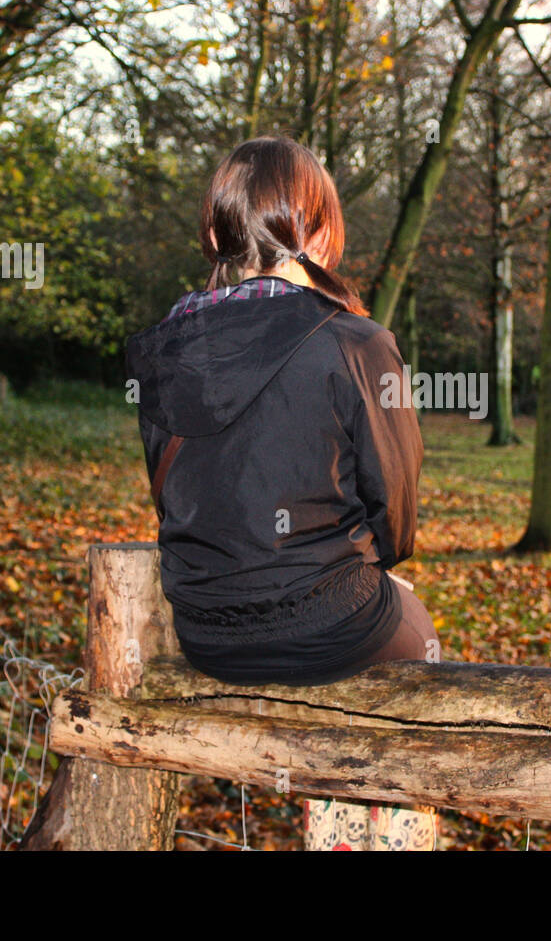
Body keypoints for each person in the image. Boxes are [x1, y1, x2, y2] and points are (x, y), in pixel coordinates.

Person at [125, 135, 438, 687]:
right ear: (317, 231)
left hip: (204, 634)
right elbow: (396, 517)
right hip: (330, 623)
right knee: (422, 636)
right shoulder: (357, 344)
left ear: (218, 234)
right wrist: (369, 579)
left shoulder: (163, 350)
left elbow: (178, 504)